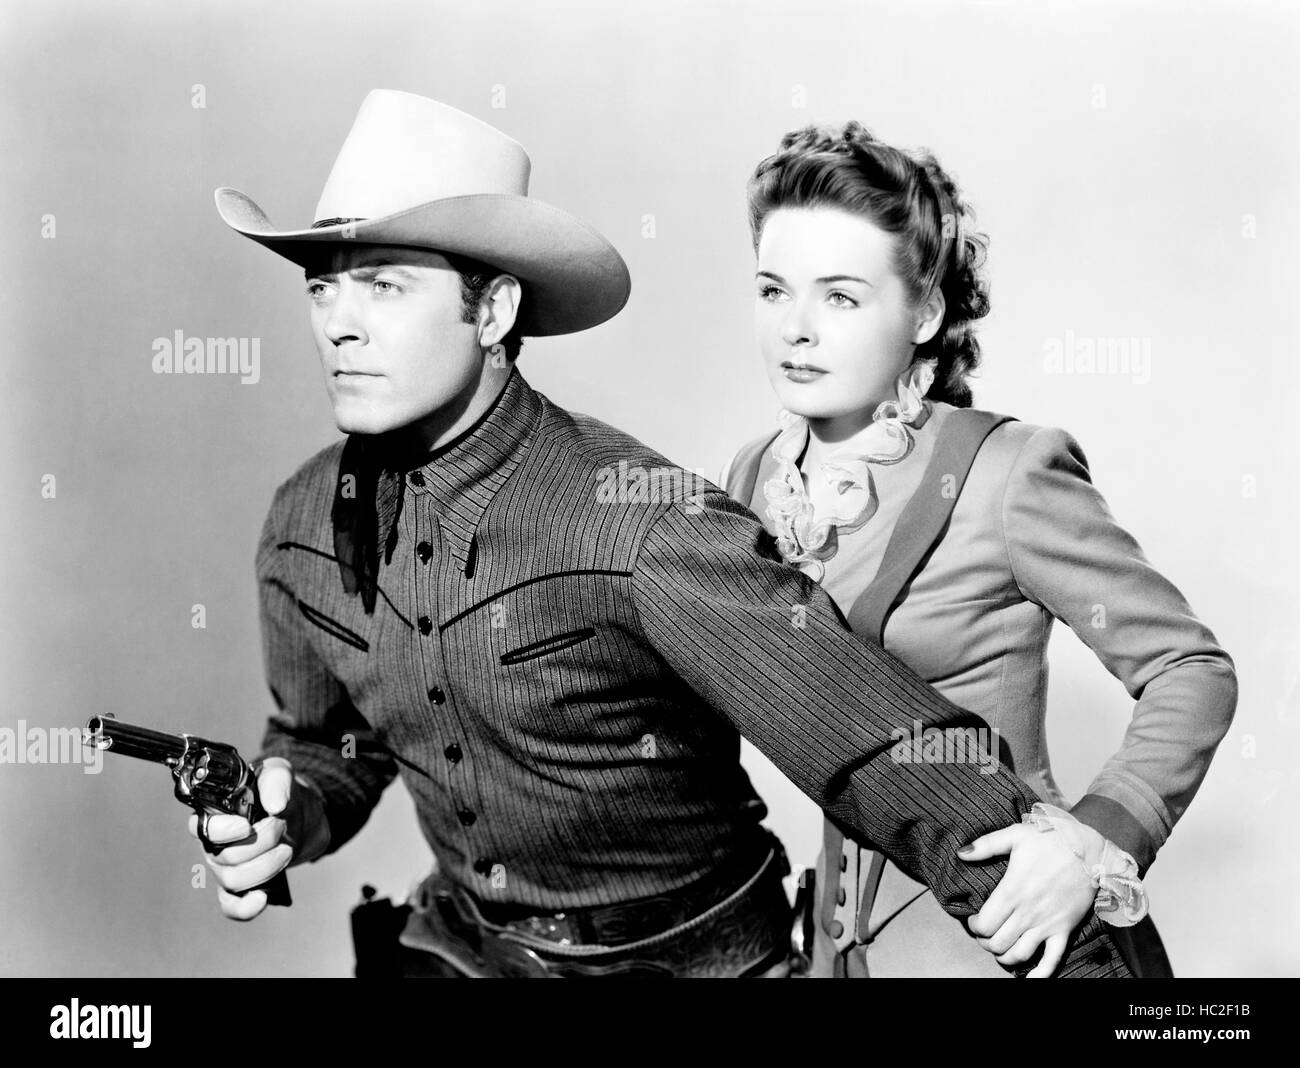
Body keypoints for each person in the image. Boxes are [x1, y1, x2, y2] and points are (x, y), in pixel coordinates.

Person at [191, 89, 1134, 977]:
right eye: (323, 289)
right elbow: (322, 743)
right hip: (463, 952)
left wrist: (1069, 910)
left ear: (496, 310)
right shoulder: (302, 525)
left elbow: (877, 748)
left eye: (385, 288)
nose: (338, 328)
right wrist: (288, 811)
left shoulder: (642, 522)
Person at [721, 121, 1238, 977]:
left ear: (924, 313)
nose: (796, 330)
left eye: (840, 297)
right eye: (775, 291)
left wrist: (1095, 842)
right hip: (836, 947)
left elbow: (1193, 669)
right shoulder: (755, 473)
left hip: (1002, 937)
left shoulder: (1007, 472)